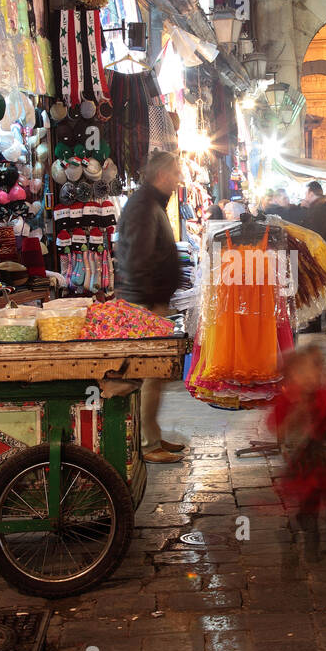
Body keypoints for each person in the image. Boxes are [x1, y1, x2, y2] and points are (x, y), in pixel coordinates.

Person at [115, 149, 187, 465]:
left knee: (153, 375)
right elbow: (137, 259)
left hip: (147, 301)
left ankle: (151, 436)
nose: (178, 179)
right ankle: (146, 443)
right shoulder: (144, 207)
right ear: (161, 175)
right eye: (175, 174)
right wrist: (148, 303)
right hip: (142, 303)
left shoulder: (150, 204)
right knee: (148, 373)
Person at [269, 346, 326, 567]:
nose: (311, 377)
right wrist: (295, 416)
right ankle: (312, 540)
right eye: (304, 372)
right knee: (310, 504)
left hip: (325, 460)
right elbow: (278, 431)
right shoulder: (286, 400)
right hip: (302, 463)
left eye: (316, 371)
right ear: (292, 375)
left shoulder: (323, 395)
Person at [299, 180, 326, 334]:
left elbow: (313, 231)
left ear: (311, 193)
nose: (305, 197)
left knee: (324, 288)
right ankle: (317, 324)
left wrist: (304, 211)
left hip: (319, 253)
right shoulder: (324, 205)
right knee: (316, 288)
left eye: (306, 193)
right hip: (321, 252)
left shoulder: (320, 207)